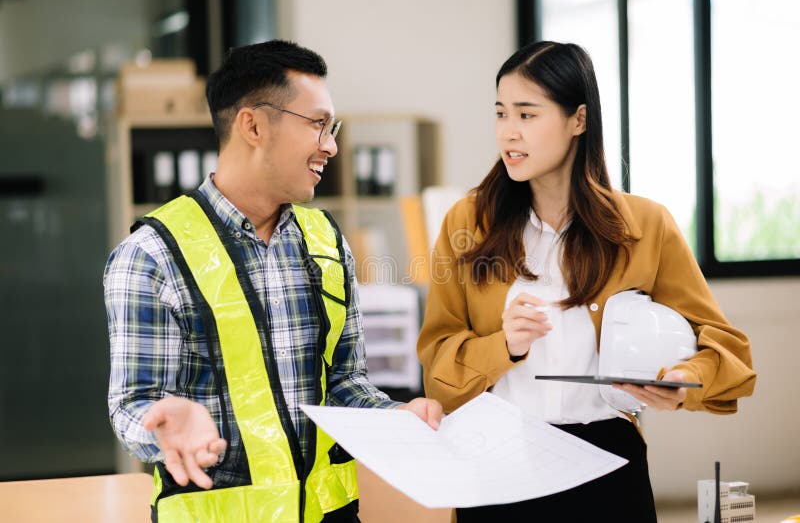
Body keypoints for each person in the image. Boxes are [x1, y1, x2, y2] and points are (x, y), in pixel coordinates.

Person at [105, 39, 442, 523]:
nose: (331, 146)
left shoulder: (325, 240)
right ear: (254, 126)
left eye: (332, 128)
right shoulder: (153, 254)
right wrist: (163, 427)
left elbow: (344, 382)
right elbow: (133, 405)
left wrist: (394, 416)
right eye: (318, 124)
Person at [416, 41, 756, 522]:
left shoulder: (645, 225)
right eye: (500, 113)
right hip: (497, 463)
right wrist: (504, 346)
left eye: (527, 114)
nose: (509, 131)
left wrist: (683, 381)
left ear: (578, 119)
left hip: (607, 464)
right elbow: (438, 368)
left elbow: (727, 351)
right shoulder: (468, 222)